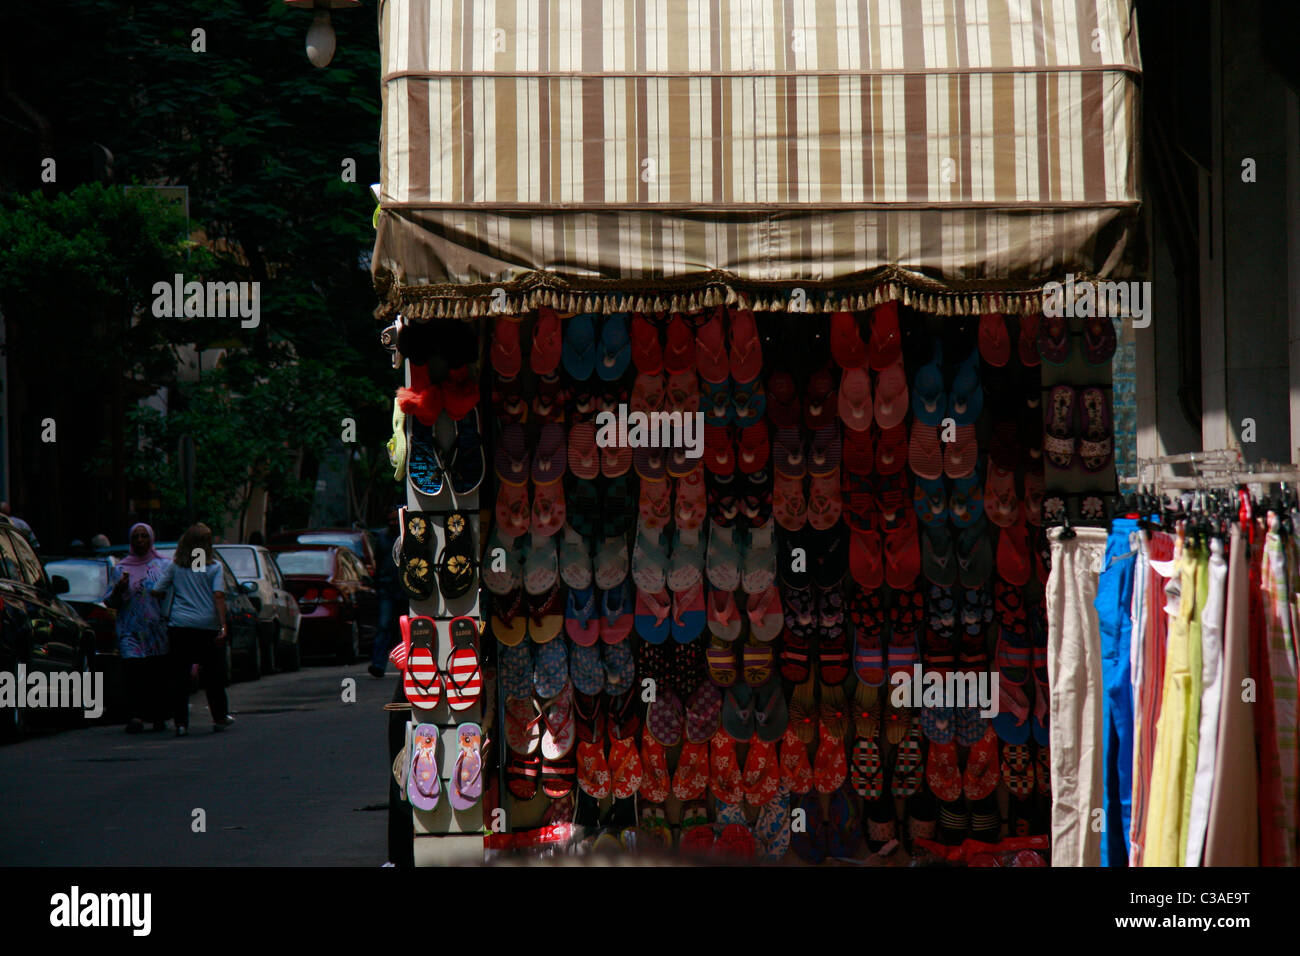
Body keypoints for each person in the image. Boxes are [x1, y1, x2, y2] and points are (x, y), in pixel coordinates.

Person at [154, 523, 234, 736]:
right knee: (213, 675)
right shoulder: (214, 567)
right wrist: (223, 626)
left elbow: (157, 589)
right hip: (206, 626)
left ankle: (181, 723)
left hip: (180, 625)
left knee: (179, 677)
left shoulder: (175, 567)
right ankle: (219, 717)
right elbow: (218, 596)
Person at [103, 523, 171, 733]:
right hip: (130, 631)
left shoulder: (164, 566)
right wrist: (119, 589)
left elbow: (173, 596)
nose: (140, 541)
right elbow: (110, 602)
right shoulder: (121, 569)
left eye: (144, 536)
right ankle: (136, 716)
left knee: (156, 674)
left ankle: (158, 715)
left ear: (151, 539)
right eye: (136, 537)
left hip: (157, 630)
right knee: (134, 674)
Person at [368, 508, 403, 679]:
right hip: (387, 588)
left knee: (404, 628)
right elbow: (378, 561)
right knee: (384, 626)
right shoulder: (381, 537)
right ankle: (378, 664)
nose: (393, 523)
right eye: (391, 520)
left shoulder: (407, 536)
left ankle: (408, 664)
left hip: (404, 588)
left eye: (396, 520)